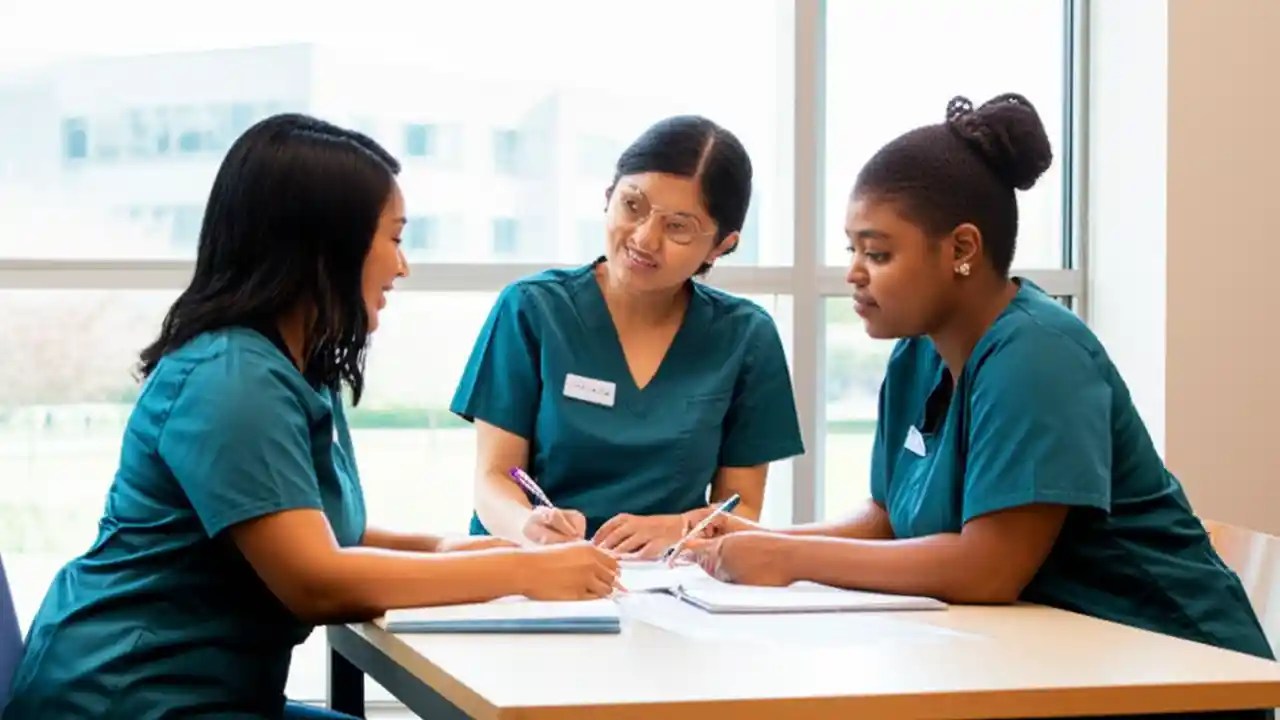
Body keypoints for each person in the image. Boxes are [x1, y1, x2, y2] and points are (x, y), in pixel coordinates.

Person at [3, 113, 619, 720]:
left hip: (204, 693)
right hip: (125, 698)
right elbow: (315, 578)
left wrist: (466, 546)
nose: (402, 267)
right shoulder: (232, 379)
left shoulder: (291, 365)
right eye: (396, 238)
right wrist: (521, 571)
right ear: (329, 243)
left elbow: (317, 534)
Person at [688, 94, 1275, 673]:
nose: (854, 273)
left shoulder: (1039, 355)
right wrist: (754, 537)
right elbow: (889, 519)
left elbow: (988, 569)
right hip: (1051, 658)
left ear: (962, 249)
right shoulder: (917, 354)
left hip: (1180, 669)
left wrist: (788, 556)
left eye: (879, 252)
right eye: (853, 249)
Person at [451, 115, 805, 559]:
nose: (644, 238)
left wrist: (681, 529)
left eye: (678, 226)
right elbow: (494, 478)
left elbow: (741, 505)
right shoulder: (532, 309)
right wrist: (531, 528)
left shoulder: (746, 336)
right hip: (531, 570)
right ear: (608, 197)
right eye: (632, 206)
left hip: (671, 584)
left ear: (722, 245)